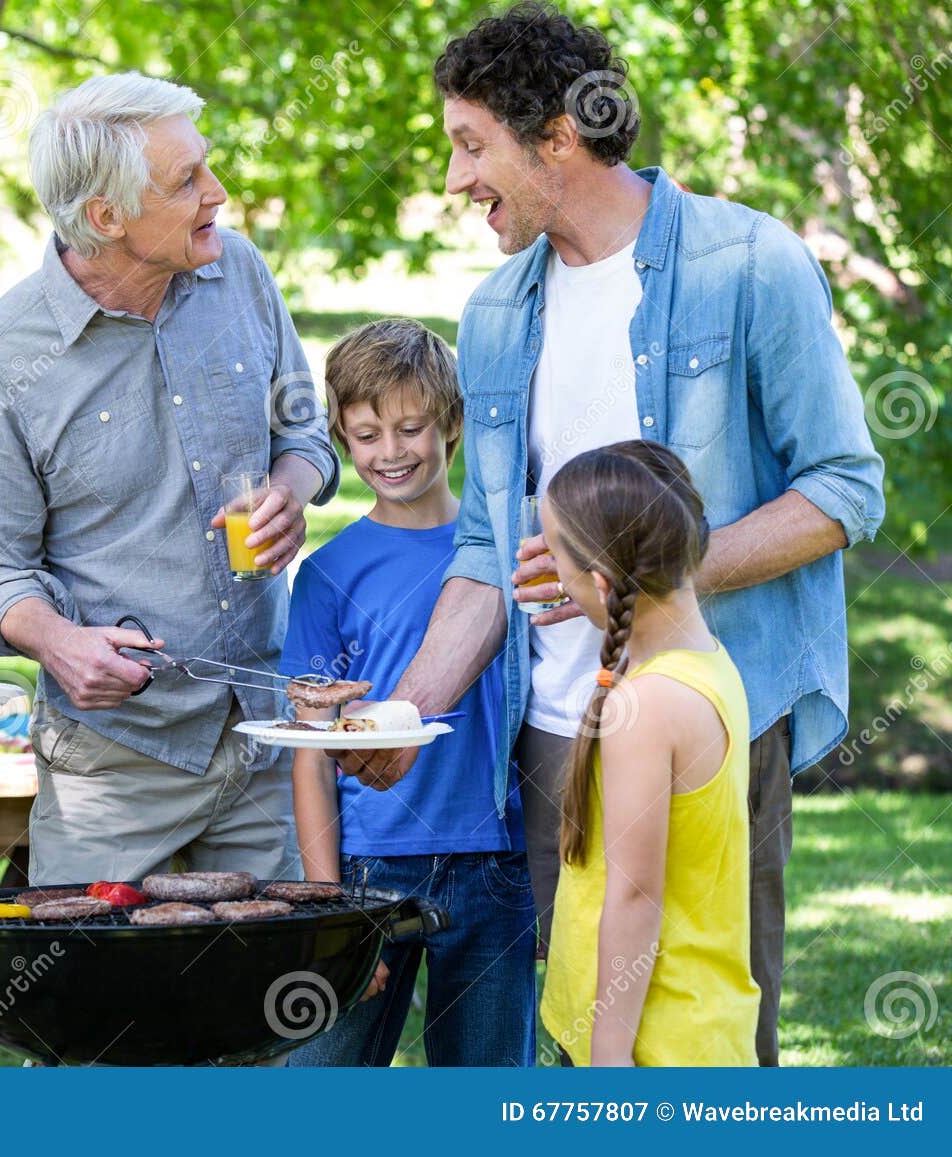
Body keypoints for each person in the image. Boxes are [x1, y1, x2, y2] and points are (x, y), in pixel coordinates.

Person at [336, 3, 884, 1065]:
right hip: (555, 732)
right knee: (585, 1031)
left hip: (701, 727)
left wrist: (640, 573)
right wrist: (411, 706)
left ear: (556, 138)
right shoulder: (496, 313)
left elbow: (843, 489)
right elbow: (486, 551)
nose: (456, 180)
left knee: (711, 1032)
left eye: (470, 144)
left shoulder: (748, 264)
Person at [0, 73, 339, 885]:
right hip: (116, 763)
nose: (219, 194)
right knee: (102, 1005)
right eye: (187, 182)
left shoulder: (240, 274)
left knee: (268, 998)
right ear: (106, 216)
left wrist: (291, 493)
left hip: (265, 734)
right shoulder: (2, 356)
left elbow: (304, 432)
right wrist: (58, 643)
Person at [283, 320, 535, 1068]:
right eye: (365, 435)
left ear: (452, 423)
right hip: (368, 870)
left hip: (497, 864)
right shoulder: (328, 574)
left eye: (410, 427)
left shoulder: (511, 559)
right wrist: (330, 908)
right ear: (340, 438)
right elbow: (309, 752)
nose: (389, 452)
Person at [538, 441, 761, 1066]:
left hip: (654, 1049)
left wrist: (611, 1064)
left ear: (603, 583)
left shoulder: (649, 706)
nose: (554, 574)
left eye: (557, 556)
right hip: (690, 1027)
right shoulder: (706, 665)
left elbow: (637, 898)